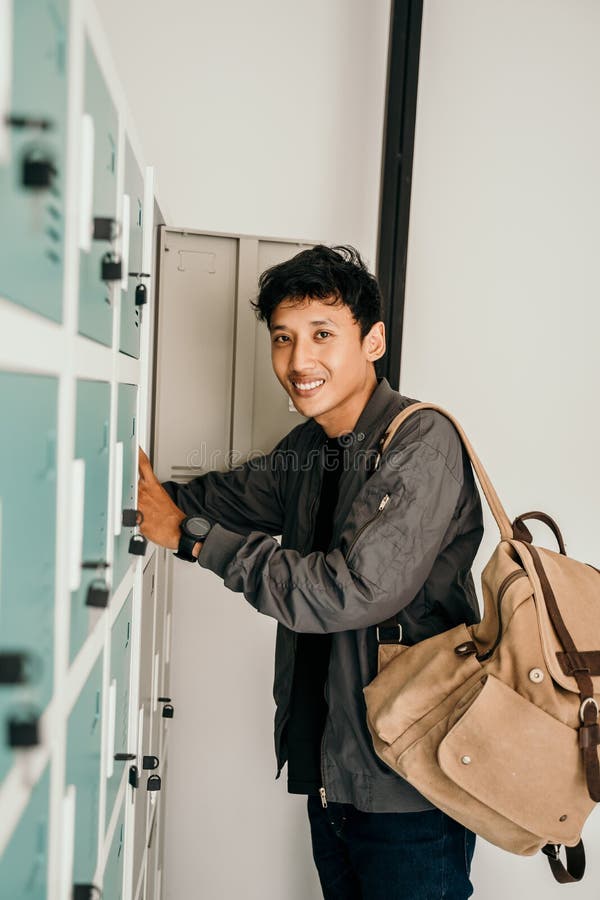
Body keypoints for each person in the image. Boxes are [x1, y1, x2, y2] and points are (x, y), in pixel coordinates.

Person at [137, 244, 484, 899]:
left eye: (323, 334)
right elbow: (223, 499)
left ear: (373, 340)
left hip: (409, 789)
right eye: (283, 339)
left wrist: (190, 540)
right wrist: (135, 485)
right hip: (333, 777)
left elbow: (348, 592)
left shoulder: (422, 442)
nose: (299, 361)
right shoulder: (308, 449)